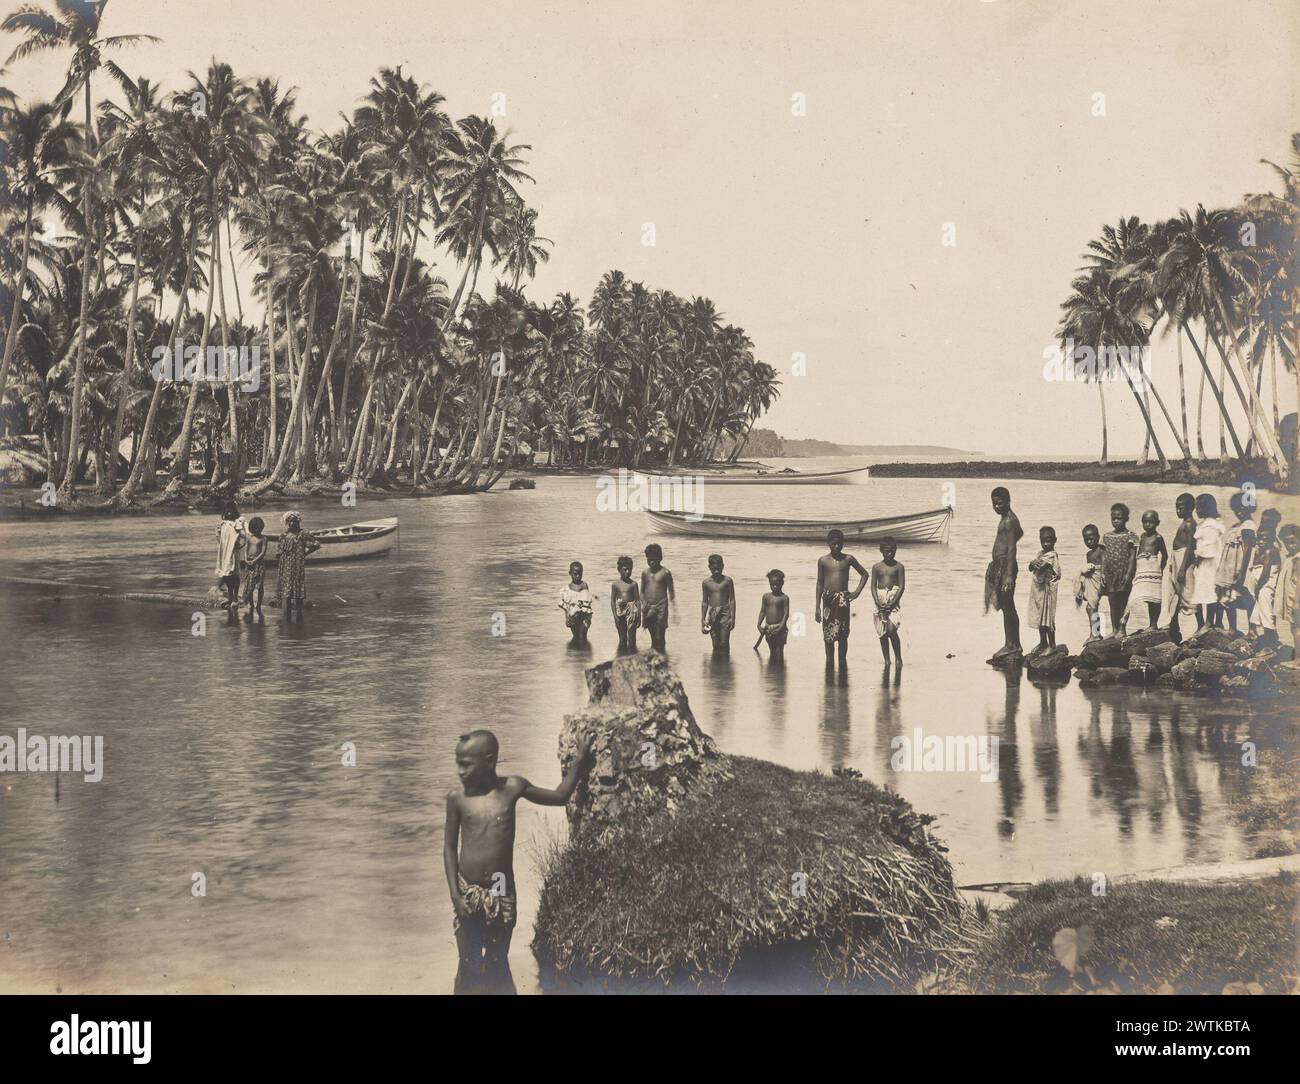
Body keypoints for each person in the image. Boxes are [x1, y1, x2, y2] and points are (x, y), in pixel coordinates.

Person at [443, 729, 594, 995]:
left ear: (489, 762)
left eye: (465, 764)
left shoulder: (513, 788)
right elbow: (448, 847)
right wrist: (456, 895)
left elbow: (560, 797)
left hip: (501, 888)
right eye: (458, 763)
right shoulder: (457, 799)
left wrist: (579, 759)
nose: (460, 771)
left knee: (498, 961)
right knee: (468, 964)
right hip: (468, 890)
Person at [816, 528, 869, 668]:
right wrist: (817, 607)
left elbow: (864, 574)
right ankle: (829, 665)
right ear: (828, 543)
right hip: (827, 600)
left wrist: (856, 593)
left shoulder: (848, 559)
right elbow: (820, 583)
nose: (837, 546)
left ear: (843, 543)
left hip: (843, 600)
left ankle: (842, 664)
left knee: (843, 634)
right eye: (834, 543)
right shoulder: (823, 561)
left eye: (840, 543)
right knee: (828, 636)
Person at [984, 487, 1024, 661]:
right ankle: (1013, 643)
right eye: (994, 503)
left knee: (1008, 607)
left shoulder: (1009, 521)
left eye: (999, 503)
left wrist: (1008, 575)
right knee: (1007, 606)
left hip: (1006, 566)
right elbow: (1019, 534)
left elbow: (1012, 548)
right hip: (1001, 565)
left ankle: (1012, 645)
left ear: (1008, 501)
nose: (996, 506)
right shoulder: (1008, 519)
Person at [1214, 492, 1256, 631]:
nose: (1239, 512)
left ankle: (1251, 629)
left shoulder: (1248, 525)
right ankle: (1233, 628)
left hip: (1238, 568)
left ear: (1250, 508)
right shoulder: (1237, 526)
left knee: (1244, 597)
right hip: (1229, 568)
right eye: (1237, 509)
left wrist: (1241, 573)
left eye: (1243, 508)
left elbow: (1247, 550)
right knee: (1227, 597)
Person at [1161, 493, 1198, 640]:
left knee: (1188, 593)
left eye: (1180, 508)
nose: (1177, 511)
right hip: (1177, 557)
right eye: (1176, 508)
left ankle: (1201, 624)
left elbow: (1190, 546)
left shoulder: (1190, 524)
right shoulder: (1184, 522)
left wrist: (1182, 568)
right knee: (1175, 591)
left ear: (1190, 509)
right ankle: (1173, 623)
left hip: (1184, 559)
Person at [1100, 503, 1139, 637]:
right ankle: (1114, 629)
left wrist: (1129, 573)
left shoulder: (1130, 536)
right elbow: (1104, 557)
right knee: (1112, 603)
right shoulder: (1106, 537)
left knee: (1124, 602)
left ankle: (1122, 629)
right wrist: (1103, 573)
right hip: (1111, 575)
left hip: (1124, 574)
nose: (1116, 521)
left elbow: (1133, 556)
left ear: (1126, 519)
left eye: (1119, 518)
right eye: (1113, 518)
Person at [1125, 510, 1168, 632]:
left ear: (1157, 523)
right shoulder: (1142, 536)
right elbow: (1138, 552)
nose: (1147, 524)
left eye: (1151, 522)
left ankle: (1153, 624)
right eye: (1145, 522)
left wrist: (1161, 568)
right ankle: (1150, 624)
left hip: (1153, 568)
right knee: (1144, 596)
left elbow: (1165, 555)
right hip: (1142, 568)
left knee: (1154, 597)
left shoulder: (1158, 537)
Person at [1191, 493, 1226, 628]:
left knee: (1210, 592)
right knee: (1205, 592)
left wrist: (1197, 556)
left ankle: (1209, 622)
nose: (1196, 511)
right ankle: (1208, 623)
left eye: (1198, 508)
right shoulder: (1206, 524)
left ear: (1206, 508)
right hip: (1205, 564)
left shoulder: (1210, 525)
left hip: (1209, 564)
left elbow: (1209, 547)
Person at [1247, 512, 1282, 646]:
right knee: (1262, 610)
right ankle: (1267, 638)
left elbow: (1265, 574)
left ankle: (1271, 641)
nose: (1261, 541)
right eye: (1259, 538)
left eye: (1264, 539)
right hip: (1261, 585)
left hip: (1265, 585)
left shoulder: (1270, 550)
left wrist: (1257, 588)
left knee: (1266, 612)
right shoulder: (1262, 547)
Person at [276, 511, 319, 620]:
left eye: (294, 521)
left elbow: (316, 544)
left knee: (298, 588)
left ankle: (299, 614)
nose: (292, 524)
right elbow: (279, 551)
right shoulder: (283, 535)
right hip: (285, 565)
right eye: (290, 521)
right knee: (286, 591)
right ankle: (286, 616)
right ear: (287, 523)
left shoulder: (302, 534)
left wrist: (304, 553)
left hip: (297, 565)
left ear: (298, 522)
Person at [870, 537, 905, 667]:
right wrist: (877, 602)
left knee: (891, 630)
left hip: (893, 603)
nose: (889, 554)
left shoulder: (899, 567)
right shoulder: (876, 567)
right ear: (881, 551)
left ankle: (898, 658)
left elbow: (901, 587)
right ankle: (886, 660)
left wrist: (893, 603)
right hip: (880, 602)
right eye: (886, 551)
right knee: (882, 632)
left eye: (892, 551)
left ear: (896, 550)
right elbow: (873, 586)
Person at [1026, 526, 1061, 652]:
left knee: (1048, 618)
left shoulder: (1052, 555)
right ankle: (1043, 642)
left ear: (1054, 540)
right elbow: (1031, 568)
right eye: (1043, 541)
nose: (1046, 544)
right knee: (1040, 617)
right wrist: (1031, 563)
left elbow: (1041, 566)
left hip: (1048, 592)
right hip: (1038, 591)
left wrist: (1034, 563)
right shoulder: (1040, 554)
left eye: (1049, 541)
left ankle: (1052, 645)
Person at [641, 544, 675, 652]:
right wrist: (643, 602)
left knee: (660, 634)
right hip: (648, 606)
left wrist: (674, 610)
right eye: (649, 559)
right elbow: (641, 591)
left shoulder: (665, 573)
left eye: (654, 559)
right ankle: (654, 654)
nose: (651, 562)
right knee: (653, 636)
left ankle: (662, 655)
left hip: (661, 605)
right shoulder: (645, 573)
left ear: (660, 558)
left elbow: (671, 592)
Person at [1073, 523, 1105, 641]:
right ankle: (1097, 633)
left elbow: (1103, 567)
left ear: (1098, 537)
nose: (1089, 542)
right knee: (1092, 607)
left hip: (1100, 581)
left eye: (1092, 539)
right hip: (1092, 582)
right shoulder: (1088, 554)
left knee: (1091, 607)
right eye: (1086, 540)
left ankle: (1095, 635)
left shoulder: (1101, 550)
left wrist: (1103, 579)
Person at [700, 554, 736, 654]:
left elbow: (732, 599)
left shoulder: (728, 581)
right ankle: (716, 668)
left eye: (719, 568)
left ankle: (725, 665)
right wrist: (702, 620)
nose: (716, 571)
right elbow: (704, 602)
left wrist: (733, 617)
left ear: (723, 566)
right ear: (709, 567)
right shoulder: (706, 582)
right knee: (715, 643)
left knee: (724, 643)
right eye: (714, 568)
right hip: (712, 613)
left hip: (725, 612)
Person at [1275, 524, 1300, 657]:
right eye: (1287, 542)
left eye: (1293, 542)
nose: (1290, 545)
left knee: (1296, 628)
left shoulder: (1297, 558)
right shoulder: (1290, 556)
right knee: (1294, 627)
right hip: (1292, 598)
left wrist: (1296, 602)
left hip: (1295, 598)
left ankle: (1298, 659)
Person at [214, 502, 243, 610]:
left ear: (235, 512)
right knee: (226, 573)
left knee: (234, 573)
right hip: (224, 552)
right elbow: (218, 536)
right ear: (225, 512)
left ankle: (235, 597)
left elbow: (244, 536)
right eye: (227, 511)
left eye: (231, 510)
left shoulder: (237, 523)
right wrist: (222, 545)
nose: (229, 513)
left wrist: (239, 545)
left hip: (234, 552)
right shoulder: (223, 524)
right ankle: (231, 596)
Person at [610, 556, 641, 653]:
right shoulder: (615, 585)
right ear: (619, 570)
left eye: (630, 569)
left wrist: (639, 616)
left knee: (632, 639)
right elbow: (612, 601)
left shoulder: (633, 584)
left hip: (632, 611)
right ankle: (622, 657)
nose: (628, 572)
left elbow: (638, 600)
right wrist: (615, 616)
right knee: (622, 638)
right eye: (625, 569)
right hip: (620, 610)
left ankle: (632, 656)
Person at [756, 569, 790, 659]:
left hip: (780, 628)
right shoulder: (766, 597)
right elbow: (763, 611)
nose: (775, 586)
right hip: (768, 628)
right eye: (772, 584)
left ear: (782, 583)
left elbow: (786, 614)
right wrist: (759, 624)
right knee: (772, 651)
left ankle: (780, 671)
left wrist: (781, 626)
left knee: (779, 651)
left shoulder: (784, 598)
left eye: (777, 584)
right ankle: (773, 671)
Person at [239, 516, 268, 619]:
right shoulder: (249, 538)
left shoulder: (264, 538)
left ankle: (258, 605)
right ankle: (251, 603)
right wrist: (246, 559)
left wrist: (254, 561)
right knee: (249, 584)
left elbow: (263, 552)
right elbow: (246, 550)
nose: (257, 530)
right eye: (255, 528)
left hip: (259, 564)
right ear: (252, 528)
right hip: (249, 564)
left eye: (259, 528)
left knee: (259, 585)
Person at [558, 561, 593, 645]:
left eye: (580, 574)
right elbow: (566, 606)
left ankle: (583, 654)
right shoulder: (567, 589)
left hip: (584, 615)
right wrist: (566, 618)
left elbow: (587, 602)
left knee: (583, 635)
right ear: (570, 573)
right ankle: (576, 654)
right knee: (576, 635)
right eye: (575, 574)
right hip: (573, 615)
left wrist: (584, 613)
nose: (578, 576)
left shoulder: (584, 585)